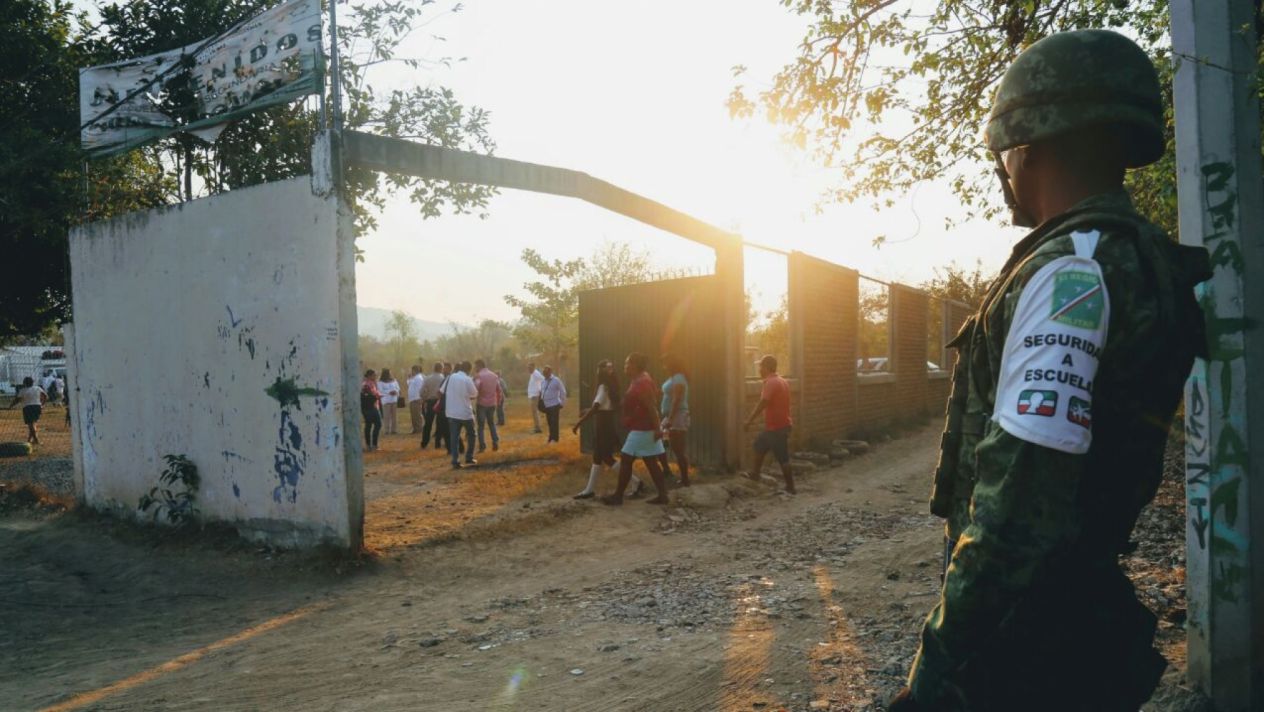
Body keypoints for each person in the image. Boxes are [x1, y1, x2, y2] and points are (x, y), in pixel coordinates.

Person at [888, 30, 1210, 712]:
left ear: (1026, 147)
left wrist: (937, 670)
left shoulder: (1071, 272)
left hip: (1031, 640)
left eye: (1004, 158)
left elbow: (1018, 506)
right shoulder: (1135, 259)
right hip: (1070, 611)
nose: (1004, 173)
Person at [601, 353, 669, 506]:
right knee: (651, 461)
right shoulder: (640, 379)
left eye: (627, 364)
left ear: (636, 365)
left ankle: (618, 496)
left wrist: (658, 428)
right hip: (644, 427)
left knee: (626, 459)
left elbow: (651, 406)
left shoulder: (642, 382)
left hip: (643, 428)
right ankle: (663, 496)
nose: (625, 367)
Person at [571, 359, 640, 499]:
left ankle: (636, 481)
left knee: (606, 458)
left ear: (600, 371)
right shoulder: (611, 385)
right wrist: (587, 410)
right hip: (606, 424)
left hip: (603, 426)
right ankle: (589, 490)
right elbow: (603, 407)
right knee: (598, 457)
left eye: (599, 368)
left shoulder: (603, 386)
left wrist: (579, 423)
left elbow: (596, 408)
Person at [744, 355, 795, 495]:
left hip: (776, 427)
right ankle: (755, 474)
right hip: (778, 425)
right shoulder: (782, 381)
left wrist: (749, 420)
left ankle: (791, 487)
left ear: (767, 368)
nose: (759, 369)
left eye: (761, 366)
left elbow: (763, 403)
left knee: (783, 457)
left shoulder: (771, 383)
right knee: (759, 446)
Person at [657, 353, 691, 487]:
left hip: (677, 416)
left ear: (672, 364)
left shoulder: (679, 378)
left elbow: (677, 399)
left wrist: (670, 418)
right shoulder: (673, 378)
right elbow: (669, 394)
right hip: (670, 416)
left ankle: (685, 479)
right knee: (661, 443)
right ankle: (667, 471)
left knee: (678, 449)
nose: (664, 366)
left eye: (666, 363)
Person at [440, 360, 478, 469]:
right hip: (465, 412)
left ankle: (455, 461)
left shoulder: (450, 377)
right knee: (471, 434)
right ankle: (469, 457)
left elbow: (441, 391)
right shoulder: (467, 379)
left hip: (451, 412)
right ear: (469, 370)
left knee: (454, 437)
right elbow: (474, 393)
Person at [8, 377, 47, 444]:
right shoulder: (37, 388)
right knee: (33, 424)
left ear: (24, 383)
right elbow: (45, 396)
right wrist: (42, 404)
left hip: (28, 408)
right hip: (37, 407)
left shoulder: (23, 390)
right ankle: (29, 440)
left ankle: (36, 440)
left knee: (31, 425)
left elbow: (17, 400)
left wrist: (11, 406)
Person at [473, 358, 501, 452]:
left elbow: (476, 388)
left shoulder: (479, 376)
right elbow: (498, 389)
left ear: (479, 365)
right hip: (492, 403)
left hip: (481, 403)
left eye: (475, 366)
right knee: (491, 423)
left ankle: (482, 446)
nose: (474, 367)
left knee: (480, 426)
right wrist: (498, 400)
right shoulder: (494, 375)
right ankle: (495, 441)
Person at [538, 365, 567, 443]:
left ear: (550, 372)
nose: (545, 374)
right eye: (544, 373)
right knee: (550, 422)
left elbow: (563, 391)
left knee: (554, 422)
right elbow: (542, 392)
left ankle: (555, 439)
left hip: (554, 404)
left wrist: (562, 403)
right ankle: (551, 437)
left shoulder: (556, 380)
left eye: (546, 373)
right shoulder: (543, 381)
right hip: (546, 405)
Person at [420, 362, 445, 449]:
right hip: (440, 402)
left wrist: (425, 398)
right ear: (441, 368)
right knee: (440, 423)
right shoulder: (443, 378)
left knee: (428, 423)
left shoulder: (428, 378)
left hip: (430, 401)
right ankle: (437, 443)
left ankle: (424, 443)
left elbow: (421, 391)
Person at [359, 369, 382, 452]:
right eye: (373, 375)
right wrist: (377, 396)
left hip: (372, 407)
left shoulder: (371, 384)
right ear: (369, 375)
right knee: (376, 424)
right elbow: (370, 396)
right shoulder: (366, 385)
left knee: (370, 425)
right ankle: (372, 444)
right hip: (370, 408)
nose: (375, 376)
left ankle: (370, 445)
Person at [432, 362, 453, 452]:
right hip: (445, 405)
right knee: (442, 426)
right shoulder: (446, 378)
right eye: (443, 368)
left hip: (446, 405)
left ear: (449, 369)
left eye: (445, 368)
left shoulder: (448, 379)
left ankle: (450, 447)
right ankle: (439, 444)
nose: (444, 369)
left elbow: (439, 393)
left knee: (445, 427)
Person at [378, 368, 401, 435]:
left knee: (394, 416)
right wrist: (389, 392)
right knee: (386, 416)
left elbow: (398, 388)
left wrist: (395, 391)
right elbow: (380, 391)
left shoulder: (394, 380)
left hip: (394, 400)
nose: (390, 374)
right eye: (389, 373)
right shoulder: (380, 382)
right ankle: (386, 430)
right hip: (386, 400)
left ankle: (394, 430)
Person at [526, 362, 545, 433]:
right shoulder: (533, 374)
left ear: (533, 367)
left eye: (530, 368)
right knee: (534, 412)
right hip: (532, 395)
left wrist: (540, 390)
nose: (528, 369)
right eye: (528, 368)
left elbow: (543, 380)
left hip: (535, 395)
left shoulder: (536, 373)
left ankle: (538, 428)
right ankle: (537, 427)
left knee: (535, 412)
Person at [406, 365, 425, 434]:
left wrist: (420, 398)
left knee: (417, 415)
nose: (411, 372)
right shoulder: (414, 378)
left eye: (412, 370)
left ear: (415, 370)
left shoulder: (419, 378)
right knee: (414, 415)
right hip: (412, 399)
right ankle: (415, 428)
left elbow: (420, 389)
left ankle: (419, 428)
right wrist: (409, 378)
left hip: (416, 399)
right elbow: (409, 384)